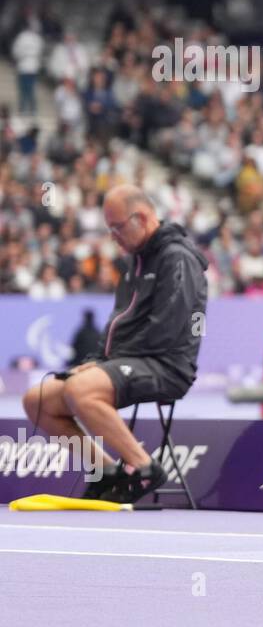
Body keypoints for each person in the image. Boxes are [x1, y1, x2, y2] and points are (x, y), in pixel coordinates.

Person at [20, 185, 209, 503]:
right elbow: (117, 326)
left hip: (167, 365)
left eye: (118, 227)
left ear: (143, 218)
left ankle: (145, 466)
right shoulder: (134, 262)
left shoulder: (178, 259)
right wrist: (94, 360)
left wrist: (104, 366)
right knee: (37, 399)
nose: (113, 236)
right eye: (109, 228)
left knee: (81, 390)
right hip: (129, 361)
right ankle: (106, 472)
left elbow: (167, 330)